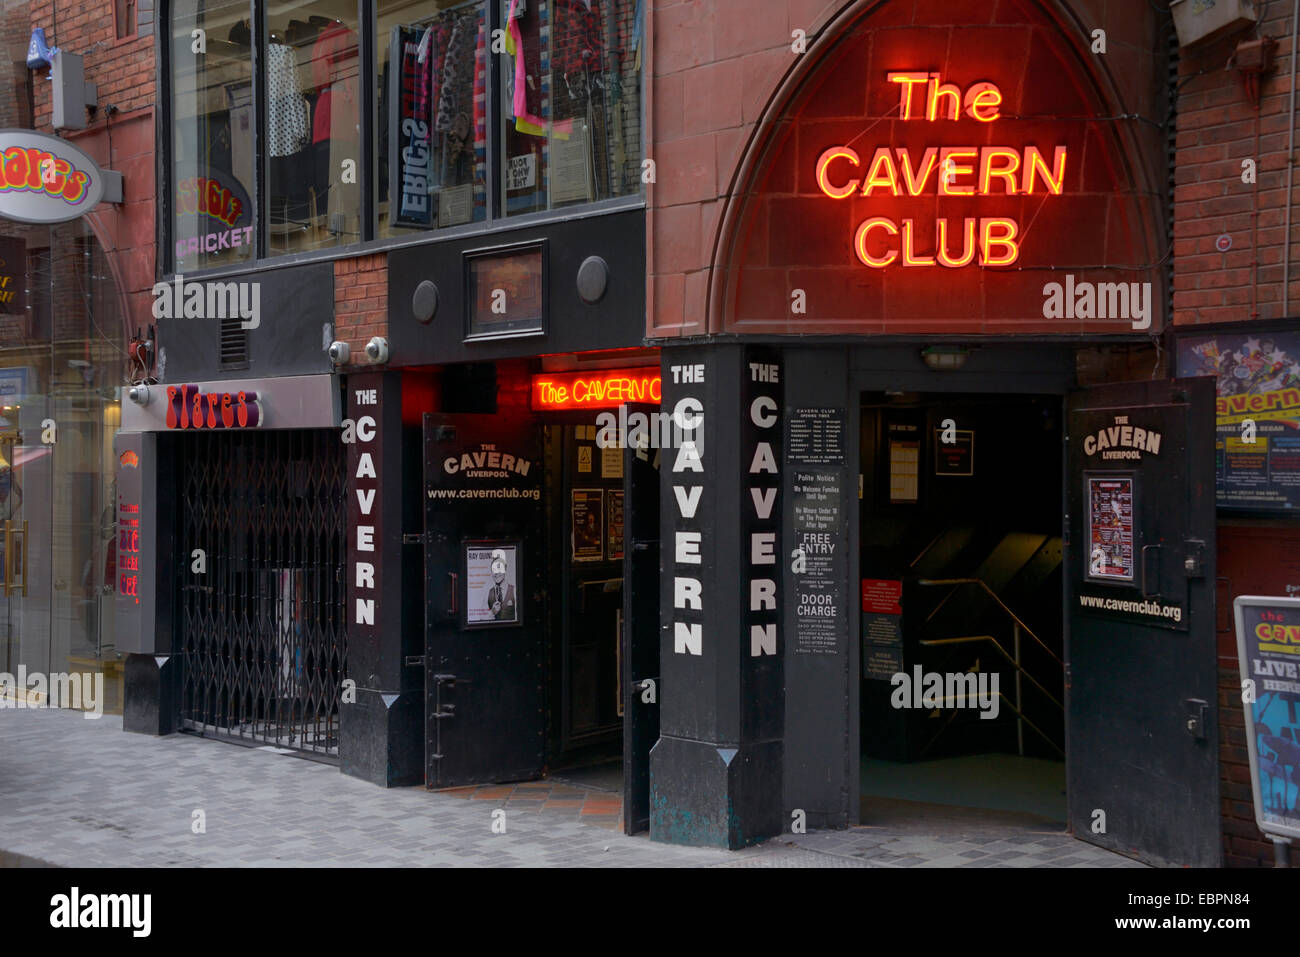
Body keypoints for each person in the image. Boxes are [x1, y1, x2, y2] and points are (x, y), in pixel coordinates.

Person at [486, 548, 516, 621]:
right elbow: (483, 620)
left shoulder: (514, 590)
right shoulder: (489, 592)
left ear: (505, 570)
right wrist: (492, 613)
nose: (496, 573)